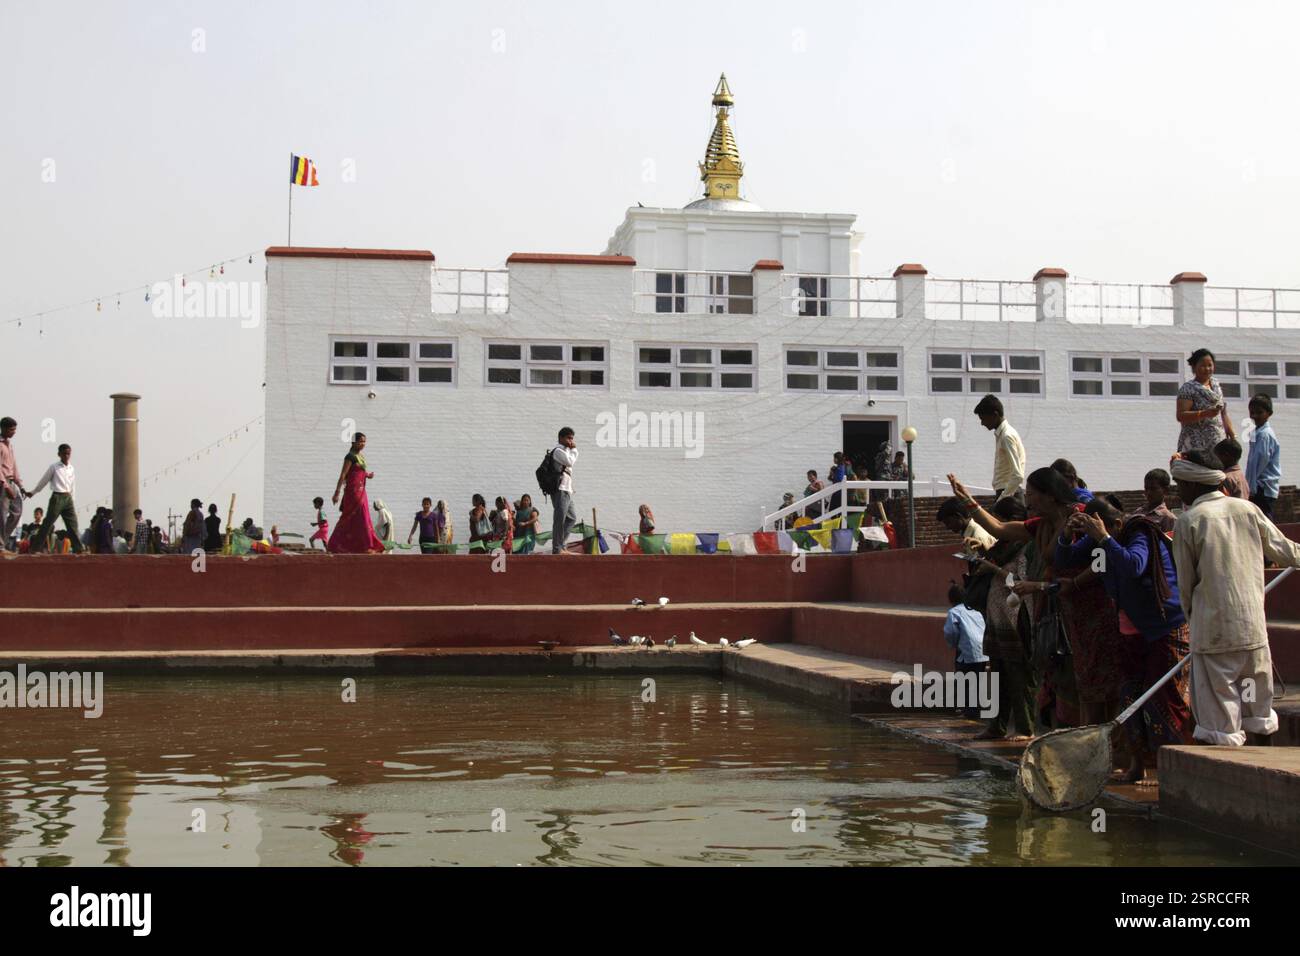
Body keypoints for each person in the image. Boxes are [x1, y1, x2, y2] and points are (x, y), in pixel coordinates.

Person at [952, 466, 1103, 734]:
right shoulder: (1041, 525)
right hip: (1051, 609)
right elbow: (999, 528)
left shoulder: (1079, 519)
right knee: (1056, 677)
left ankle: (1085, 738)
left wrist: (1040, 585)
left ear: (1050, 496)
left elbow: (1096, 565)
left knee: (1079, 679)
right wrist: (968, 501)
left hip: (1082, 609)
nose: (1028, 500)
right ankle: (1063, 738)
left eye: (1032, 494)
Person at [1058, 497, 1191, 785]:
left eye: (1100, 530)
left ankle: (1174, 771)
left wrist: (1104, 538)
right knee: (1131, 698)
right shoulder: (1100, 543)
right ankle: (1137, 765)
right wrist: (1067, 534)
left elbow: (1133, 565)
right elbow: (1065, 559)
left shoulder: (1138, 533)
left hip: (1163, 626)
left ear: (1115, 524)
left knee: (1165, 699)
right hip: (1131, 630)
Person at [1171, 450, 1300, 746]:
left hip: (1214, 635)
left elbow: (1186, 585)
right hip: (1252, 631)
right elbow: (1286, 551)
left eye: (1179, 483)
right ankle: (1262, 761)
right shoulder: (1248, 510)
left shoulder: (1189, 521)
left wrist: (1195, 623)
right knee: (1253, 701)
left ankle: (1228, 768)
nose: (1179, 489)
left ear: (1191, 483)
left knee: (1220, 719)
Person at [328, 433, 383, 554]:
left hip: (362, 491)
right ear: (353, 442)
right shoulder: (350, 456)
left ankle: (364, 546)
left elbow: (360, 472)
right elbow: (343, 475)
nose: (363, 444)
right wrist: (336, 493)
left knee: (362, 517)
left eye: (364, 442)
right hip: (353, 492)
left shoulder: (360, 456)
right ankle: (334, 544)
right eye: (360, 441)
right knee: (353, 516)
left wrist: (368, 475)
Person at [1176, 348, 1235, 453]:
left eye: (1210, 365)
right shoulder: (1188, 388)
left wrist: (1231, 432)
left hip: (1217, 441)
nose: (1207, 369)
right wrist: (1205, 413)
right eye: (1203, 366)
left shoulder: (1216, 385)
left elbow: (1223, 412)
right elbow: (1181, 416)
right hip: (1196, 444)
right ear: (1194, 367)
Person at [944, 582, 988, 719]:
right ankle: (975, 709)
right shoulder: (976, 612)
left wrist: (953, 644)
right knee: (977, 680)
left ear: (951, 600)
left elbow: (950, 633)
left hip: (967, 651)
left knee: (965, 680)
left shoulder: (954, 612)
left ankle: (969, 711)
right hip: (982, 651)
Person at [29, 444, 82, 554]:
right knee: (48, 523)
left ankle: (78, 548)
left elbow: (73, 485)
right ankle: (36, 548)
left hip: (68, 498)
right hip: (57, 497)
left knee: (73, 524)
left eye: (68, 453)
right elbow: (44, 480)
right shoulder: (54, 467)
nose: (66, 456)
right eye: (64, 453)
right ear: (59, 454)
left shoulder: (71, 468)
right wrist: (34, 492)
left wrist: (73, 499)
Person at [973, 395, 1026, 504]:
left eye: (983, 418)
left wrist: (1002, 500)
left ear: (995, 415)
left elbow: (1018, 475)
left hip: (1010, 496)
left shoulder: (1007, 436)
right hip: (1009, 493)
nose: (982, 423)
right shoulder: (1004, 434)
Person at [1245, 394, 1281, 519]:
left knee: (1265, 524)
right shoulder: (1257, 433)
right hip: (1257, 487)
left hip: (1262, 488)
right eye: (1252, 412)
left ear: (1269, 413)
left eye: (1259, 412)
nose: (1254, 416)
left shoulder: (1265, 435)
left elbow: (1259, 462)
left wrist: (1252, 487)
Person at [0, 417, 27, 551]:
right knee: (2, 514)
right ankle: (0, 545)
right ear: (4, 428)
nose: (14, 432)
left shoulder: (9, 445)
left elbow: (14, 466)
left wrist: (20, 486)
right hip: (2, 483)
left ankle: (2, 540)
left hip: (11, 482)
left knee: (17, 512)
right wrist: (5, 486)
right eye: (12, 429)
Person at [550, 427, 578, 554]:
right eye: (568, 438)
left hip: (567, 490)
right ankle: (557, 548)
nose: (571, 441)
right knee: (559, 519)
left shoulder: (565, 451)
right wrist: (574, 450)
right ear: (561, 438)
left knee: (571, 518)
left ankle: (561, 544)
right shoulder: (558, 451)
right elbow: (570, 462)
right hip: (560, 489)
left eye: (572, 438)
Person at [1135, 468, 1178, 534]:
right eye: (1146, 488)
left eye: (1153, 489)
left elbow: (1168, 542)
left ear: (1166, 490)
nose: (1148, 492)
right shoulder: (1138, 512)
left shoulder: (1168, 518)